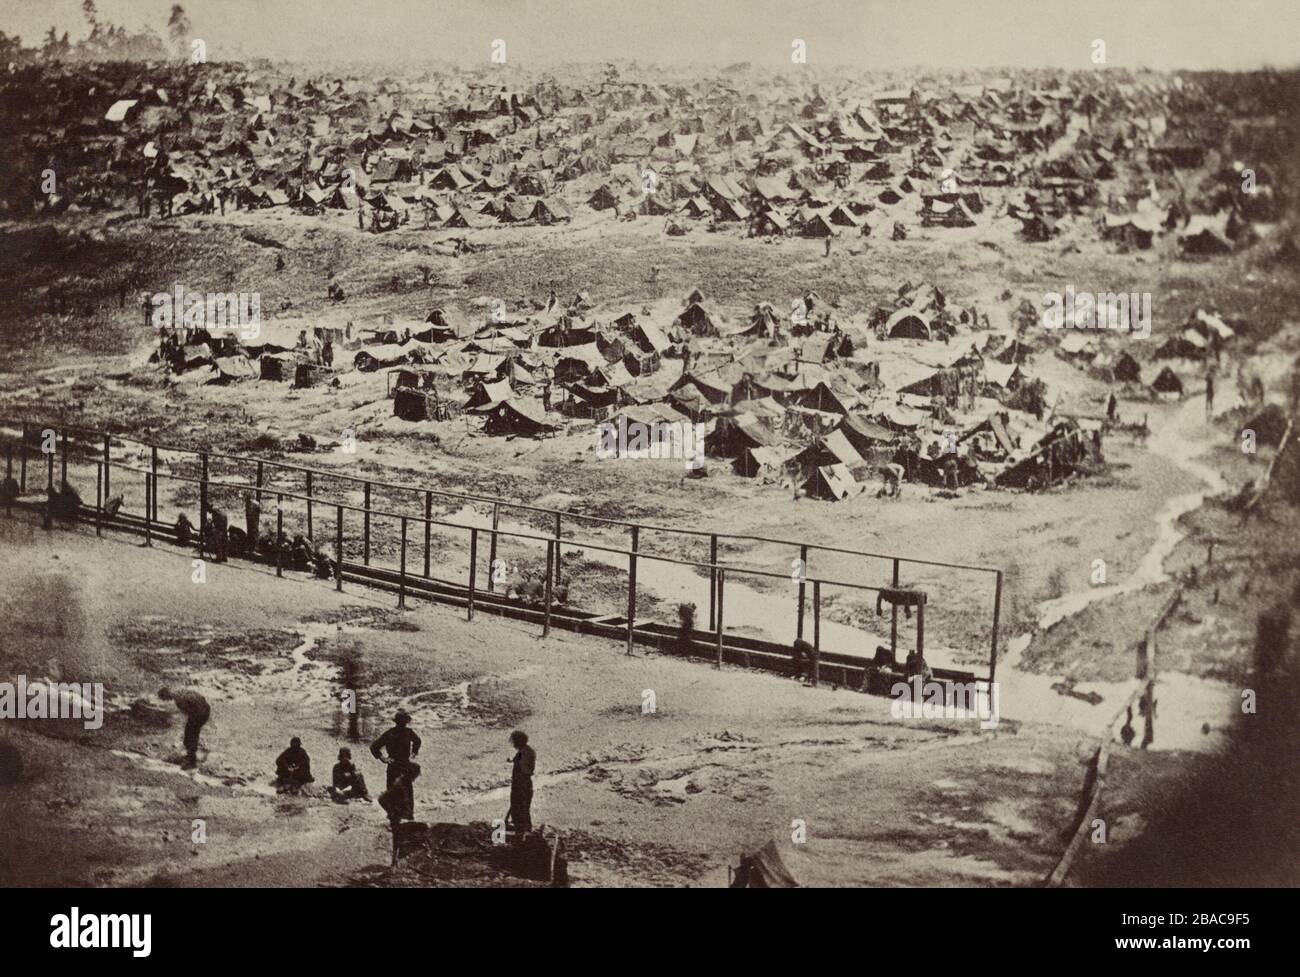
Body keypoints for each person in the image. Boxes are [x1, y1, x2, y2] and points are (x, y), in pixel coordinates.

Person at [371, 709, 421, 821]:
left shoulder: (409, 732)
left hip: (404, 765)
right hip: (393, 765)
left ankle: (408, 815)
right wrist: (383, 758)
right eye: (400, 721)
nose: (402, 723)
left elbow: (417, 741)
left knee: (407, 790)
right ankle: (393, 816)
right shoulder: (390, 733)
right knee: (393, 791)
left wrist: (414, 752)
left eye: (404, 721)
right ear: (397, 722)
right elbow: (374, 746)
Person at [159, 686, 210, 769]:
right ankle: (190, 756)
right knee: (190, 734)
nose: (166, 701)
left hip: (199, 714)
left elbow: (188, 711)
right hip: (205, 710)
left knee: (190, 736)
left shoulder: (178, 700)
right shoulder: (181, 691)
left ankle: (191, 762)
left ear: (166, 695)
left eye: (164, 699)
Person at [507, 730, 536, 835]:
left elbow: (525, 769)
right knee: (517, 808)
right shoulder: (524, 751)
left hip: (522, 784)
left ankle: (524, 832)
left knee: (521, 808)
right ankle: (522, 830)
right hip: (520, 784)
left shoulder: (525, 752)